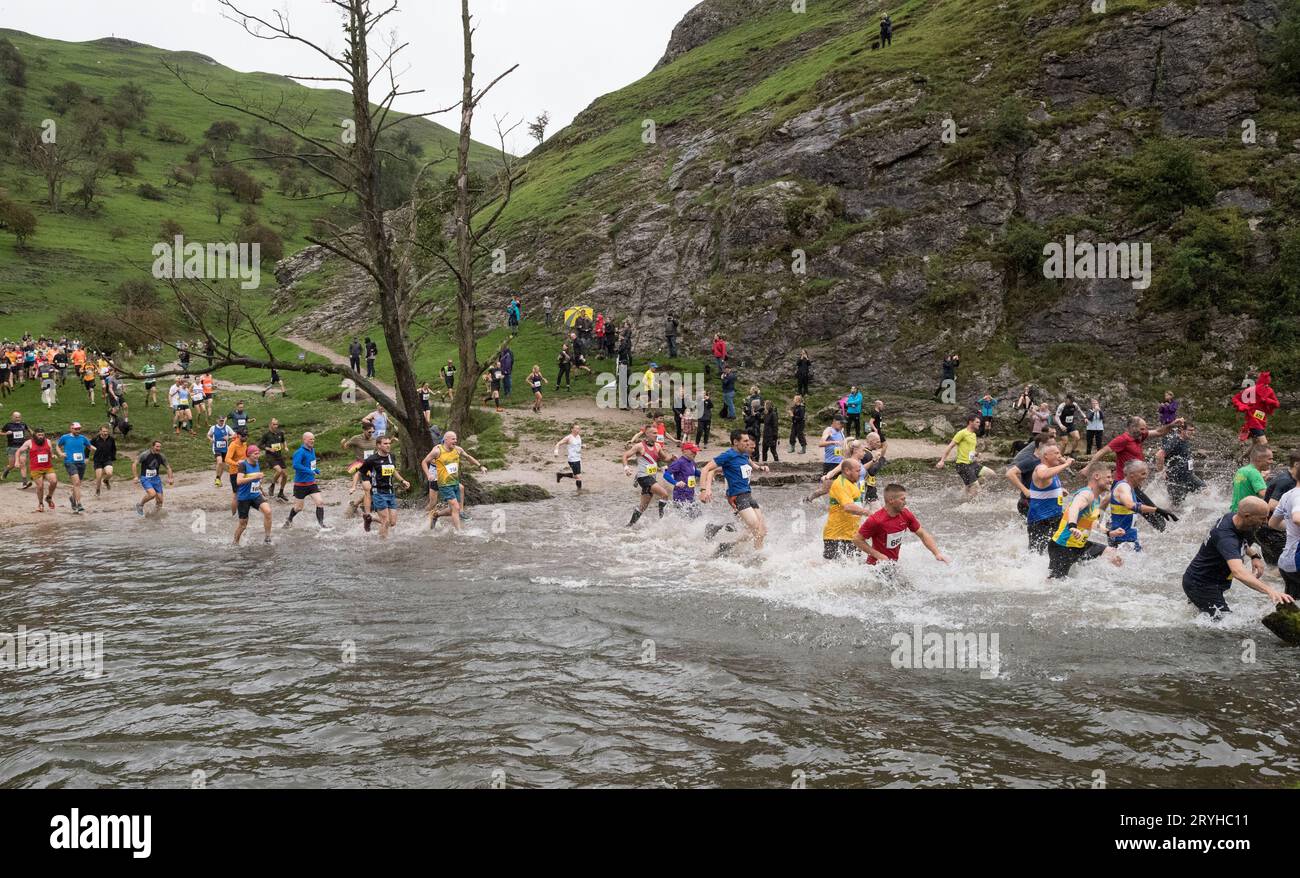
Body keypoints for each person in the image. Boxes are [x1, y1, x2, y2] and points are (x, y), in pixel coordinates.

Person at [1183, 496, 1294, 615]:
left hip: (1211, 581)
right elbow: (1238, 572)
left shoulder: (1232, 518)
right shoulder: (1226, 537)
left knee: (1203, 617)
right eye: (1262, 518)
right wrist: (1271, 591)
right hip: (1201, 585)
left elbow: (1240, 542)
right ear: (1247, 516)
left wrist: (1254, 556)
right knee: (1223, 624)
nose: (1266, 521)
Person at [1089, 415, 1182, 531]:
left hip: (1130, 482)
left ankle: (1096, 522)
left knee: (1113, 504)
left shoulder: (1139, 437)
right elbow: (1103, 451)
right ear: (1132, 427)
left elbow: (1159, 432)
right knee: (1151, 511)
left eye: (1145, 428)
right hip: (1126, 483)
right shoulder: (1122, 439)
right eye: (1142, 429)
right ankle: (1164, 531)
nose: (1145, 431)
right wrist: (1088, 467)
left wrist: (1172, 424)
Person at [1047, 462, 1124, 579]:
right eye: (1108, 477)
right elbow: (1075, 507)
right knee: (1055, 583)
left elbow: (1089, 521)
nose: (1111, 480)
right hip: (1062, 547)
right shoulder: (1086, 494)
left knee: (1114, 556)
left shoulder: (1097, 497)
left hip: (1080, 545)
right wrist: (1072, 526)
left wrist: (1108, 532)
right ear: (1097, 476)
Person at [699, 429, 770, 554]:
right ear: (736, 442)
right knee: (754, 527)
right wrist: (704, 490)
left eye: (749, 441)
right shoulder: (728, 455)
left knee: (763, 530)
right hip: (737, 497)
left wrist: (759, 467)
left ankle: (729, 546)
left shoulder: (744, 454)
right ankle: (758, 555)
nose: (748, 444)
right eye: (745, 441)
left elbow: (749, 462)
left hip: (748, 495)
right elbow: (706, 469)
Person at [852, 483, 948, 566]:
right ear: (891, 500)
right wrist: (878, 555)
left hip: (893, 564)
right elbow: (857, 539)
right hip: (876, 567)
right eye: (902, 499)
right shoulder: (876, 520)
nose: (905, 502)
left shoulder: (906, 514)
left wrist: (937, 553)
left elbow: (922, 534)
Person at [1107, 460, 1177, 553]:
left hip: (1128, 538)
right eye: (1143, 474)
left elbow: (1104, 501)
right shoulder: (1124, 487)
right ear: (1132, 474)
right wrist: (1157, 510)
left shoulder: (1127, 487)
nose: (1145, 477)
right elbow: (1130, 505)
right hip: (1122, 539)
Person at [423, 431, 486, 531]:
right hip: (438, 479)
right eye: (453, 439)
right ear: (445, 440)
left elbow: (468, 457)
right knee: (433, 503)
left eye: (456, 439)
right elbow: (425, 461)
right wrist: (429, 475)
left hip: (453, 481)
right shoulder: (437, 450)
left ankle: (437, 515)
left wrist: (480, 466)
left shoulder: (457, 450)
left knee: (454, 506)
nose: (455, 441)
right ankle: (459, 531)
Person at [353, 436, 409, 537]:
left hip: (390, 492)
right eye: (385, 444)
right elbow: (360, 472)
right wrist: (364, 483)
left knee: (392, 522)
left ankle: (370, 518)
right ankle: (382, 543)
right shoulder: (372, 459)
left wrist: (402, 480)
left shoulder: (392, 456)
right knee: (385, 521)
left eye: (389, 443)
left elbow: (393, 471)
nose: (388, 446)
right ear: (378, 445)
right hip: (378, 492)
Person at [1025, 442, 1071, 553]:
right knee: (1036, 554)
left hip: (1055, 518)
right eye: (1056, 453)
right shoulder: (1041, 467)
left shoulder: (1052, 471)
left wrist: (1059, 491)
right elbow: (1042, 475)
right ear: (1046, 455)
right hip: (1040, 520)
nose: (1060, 455)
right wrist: (1066, 464)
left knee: (1057, 551)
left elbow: (1044, 486)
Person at [623, 423, 672, 525]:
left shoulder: (658, 446)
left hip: (651, 478)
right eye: (654, 433)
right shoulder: (639, 446)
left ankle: (629, 525)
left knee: (642, 507)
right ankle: (662, 520)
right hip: (643, 477)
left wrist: (672, 458)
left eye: (657, 433)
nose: (656, 435)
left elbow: (664, 458)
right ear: (647, 434)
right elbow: (625, 455)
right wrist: (626, 467)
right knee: (664, 494)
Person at [822, 457, 870, 560]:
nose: (860, 473)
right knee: (833, 569)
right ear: (847, 471)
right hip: (836, 536)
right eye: (857, 471)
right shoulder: (841, 484)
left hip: (851, 535)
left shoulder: (851, 483)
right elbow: (848, 507)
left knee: (853, 567)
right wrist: (870, 513)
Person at [284, 432, 329, 530]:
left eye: (313, 439)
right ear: (304, 440)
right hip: (300, 485)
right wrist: (309, 471)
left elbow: (311, 463)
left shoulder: (312, 450)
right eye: (310, 439)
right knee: (298, 508)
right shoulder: (299, 452)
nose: (312, 441)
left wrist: (315, 469)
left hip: (311, 483)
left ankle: (321, 525)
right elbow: (296, 465)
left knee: (320, 502)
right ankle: (289, 520)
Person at [1155, 421, 1203, 507]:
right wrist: (1161, 471)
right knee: (1177, 506)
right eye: (1190, 430)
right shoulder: (1175, 440)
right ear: (1181, 430)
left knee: (1206, 490)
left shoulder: (1185, 440)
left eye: (1193, 430)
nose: (1192, 433)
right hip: (1176, 479)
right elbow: (1159, 455)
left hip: (1189, 476)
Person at [935, 415, 984, 499]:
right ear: (970, 422)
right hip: (963, 464)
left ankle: (964, 492)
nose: (979, 424)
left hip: (972, 463)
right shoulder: (962, 433)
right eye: (977, 422)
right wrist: (942, 461)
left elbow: (970, 450)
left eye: (979, 422)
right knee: (976, 487)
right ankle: (968, 504)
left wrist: (977, 454)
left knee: (989, 475)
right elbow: (950, 446)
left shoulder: (973, 435)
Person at [232, 444, 273, 544]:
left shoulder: (257, 463)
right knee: (243, 525)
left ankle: (267, 538)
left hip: (255, 495)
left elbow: (256, 480)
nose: (258, 456)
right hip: (244, 498)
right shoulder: (243, 465)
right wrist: (255, 477)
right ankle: (235, 542)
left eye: (258, 453)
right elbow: (239, 481)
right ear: (249, 455)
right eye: (255, 454)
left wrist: (261, 489)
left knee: (268, 512)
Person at [1268, 483, 1300, 598]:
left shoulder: (1288, 494)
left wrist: (1292, 528)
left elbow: (1272, 523)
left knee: (1291, 603)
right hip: (1296, 561)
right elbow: (1297, 518)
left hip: (1286, 562)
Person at [55, 421, 94, 513]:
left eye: (79, 429)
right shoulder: (65, 437)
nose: (77, 430)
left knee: (77, 484)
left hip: (81, 463)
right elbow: (58, 446)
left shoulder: (83, 438)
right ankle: (79, 503)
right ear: (71, 429)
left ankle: (73, 498)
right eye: (75, 429)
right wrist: (60, 453)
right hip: (70, 462)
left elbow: (89, 446)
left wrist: (93, 449)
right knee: (76, 483)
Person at [18, 428, 57, 512]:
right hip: (36, 468)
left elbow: (50, 451)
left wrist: (53, 455)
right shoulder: (29, 442)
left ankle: (49, 497)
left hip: (47, 467)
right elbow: (18, 451)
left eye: (42, 435)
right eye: (39, 435)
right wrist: (17, 462)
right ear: (35, 435)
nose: (41, 436)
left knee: (54, 481)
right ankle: (40, 503)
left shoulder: (48, 441)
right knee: (40, 486)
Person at [132, 440, 173, 517]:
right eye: (157, 446)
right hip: (145, 478)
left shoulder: (161, 456)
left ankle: (155, 515)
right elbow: (134, 464)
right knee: (152, 494)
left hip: (156, 479)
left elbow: (168, 467)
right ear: (152, 446)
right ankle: (140, 505)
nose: (159, 448)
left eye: (160, 447)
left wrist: (170, 478)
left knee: (160, 500)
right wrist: (135, 476)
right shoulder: (145, 454)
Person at [1231, 444, 1272, 514]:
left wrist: (1262, 480)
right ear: (1259, 459)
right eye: (1269, 459)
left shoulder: (1241, 470)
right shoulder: (1254, 473)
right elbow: (1264, 494)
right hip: (1247, 514)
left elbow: (1244, 487)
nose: (1271, 462)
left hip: (1235, 511)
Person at [259, 418, 290, 501]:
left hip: (279, 455)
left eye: (276, 424)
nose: (276, 426)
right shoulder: (266, 435)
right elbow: (260, 445)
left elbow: (284, 441)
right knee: (279, 471)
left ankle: (281, 492)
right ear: (270, 425)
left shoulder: (280, 433)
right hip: (270, 456)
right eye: (274, 424)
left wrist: (286, 447)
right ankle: (272, 485)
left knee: (285, 475)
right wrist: (269, 449)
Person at [225, 428, 248, 516]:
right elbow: (227, 459)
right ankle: (233, 515)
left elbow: (245, 456)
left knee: (245, 492)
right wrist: (236, 464)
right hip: (234, 473)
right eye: (243, 436)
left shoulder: (245, 444)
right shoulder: (233, 445)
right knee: (236, 494)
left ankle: (242, 512)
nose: (245, 437)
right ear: (238, 435)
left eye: (246, 436)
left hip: (244, 471)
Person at [554, 423, 584, 491]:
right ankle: (579, 492)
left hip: (578, 458)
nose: (578, 430)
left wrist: (582, 446)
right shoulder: (568, 438)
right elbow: (558, 444)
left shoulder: (578, 436)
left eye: (579, 428)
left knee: (576, 475)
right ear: (572, 429)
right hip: (572, 459)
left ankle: (561, 475)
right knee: (578, 477)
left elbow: (577, 445)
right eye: (576, 428)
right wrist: (556, 452)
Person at [90, 424, 117, 497]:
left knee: (109, 473)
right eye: (103, 431)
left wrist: (113, 457)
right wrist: (86, 456)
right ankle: (98, 490)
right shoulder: (95, 439)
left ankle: (106, 480)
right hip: (97, 460)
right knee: (98, 478)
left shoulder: (111, 439)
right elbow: (88, 446)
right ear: (100, 431)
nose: (105, 433)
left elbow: (114, 448)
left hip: (107, 459)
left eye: (107, 431)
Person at [2, 410, 28, 485]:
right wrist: (6, 433)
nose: (18, 418)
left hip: (22, 447)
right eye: (16, 417)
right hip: (12, 447)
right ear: (12, 417)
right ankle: (6, 470)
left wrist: (34, 436)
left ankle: (24, 481)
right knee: (12, 465)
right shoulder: (8, 425)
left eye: (19, 417)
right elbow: (1, 432)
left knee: (22, 463)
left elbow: (29, 430)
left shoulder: (23, 424)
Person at [208, 415, 234, 488]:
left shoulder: (227, 427)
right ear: (217, 420)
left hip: (225, 449)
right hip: (216, 448)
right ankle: (217, 478)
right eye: (220, 420)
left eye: (222, 420)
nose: (221, 422)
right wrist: (211, 439)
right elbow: (208, 435)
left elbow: (234, 435)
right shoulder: (213, 428)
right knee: (219, 462)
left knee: (222, 465)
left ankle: (218, 479)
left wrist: (228, 437)